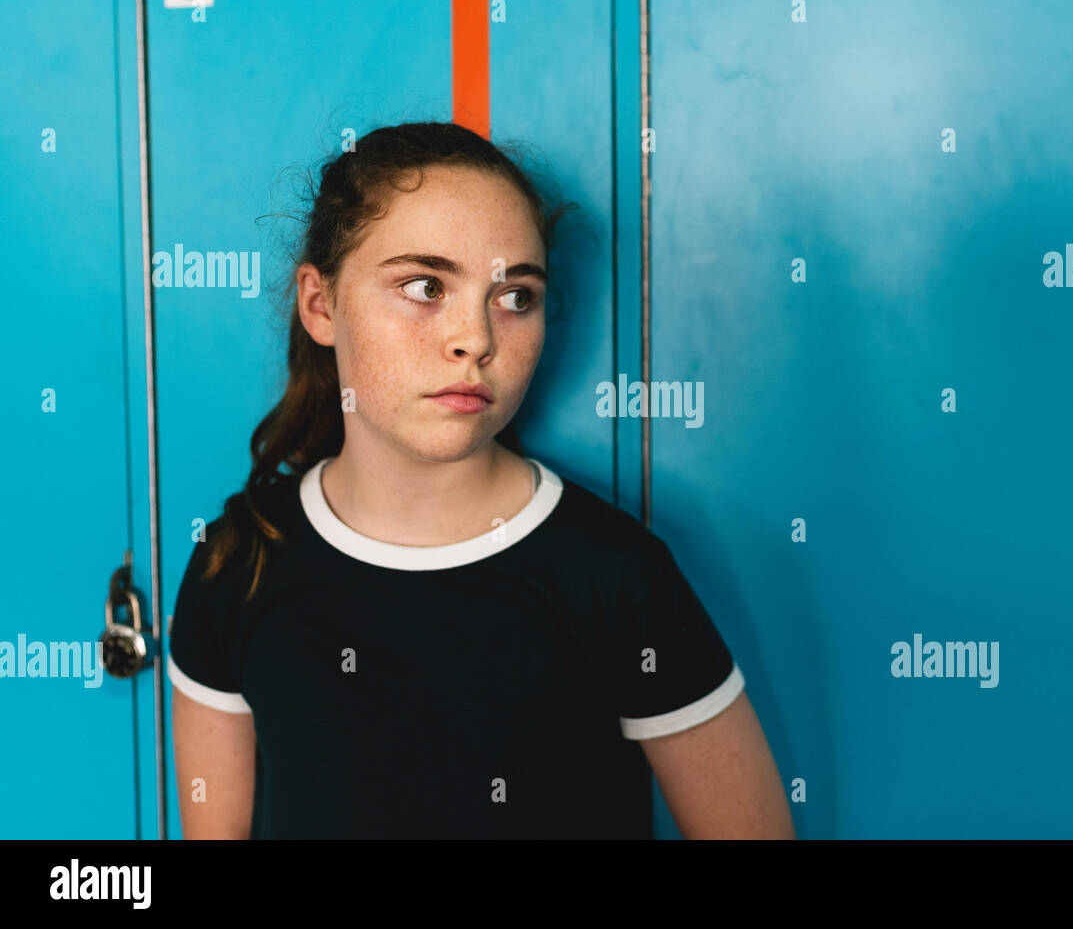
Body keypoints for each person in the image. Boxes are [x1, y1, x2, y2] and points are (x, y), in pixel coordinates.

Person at [168, 121, 794, 839]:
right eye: (426, 285)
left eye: (516, 296)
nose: (477, 339)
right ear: (320, 304)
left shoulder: (615, 577)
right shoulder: (237, 564)